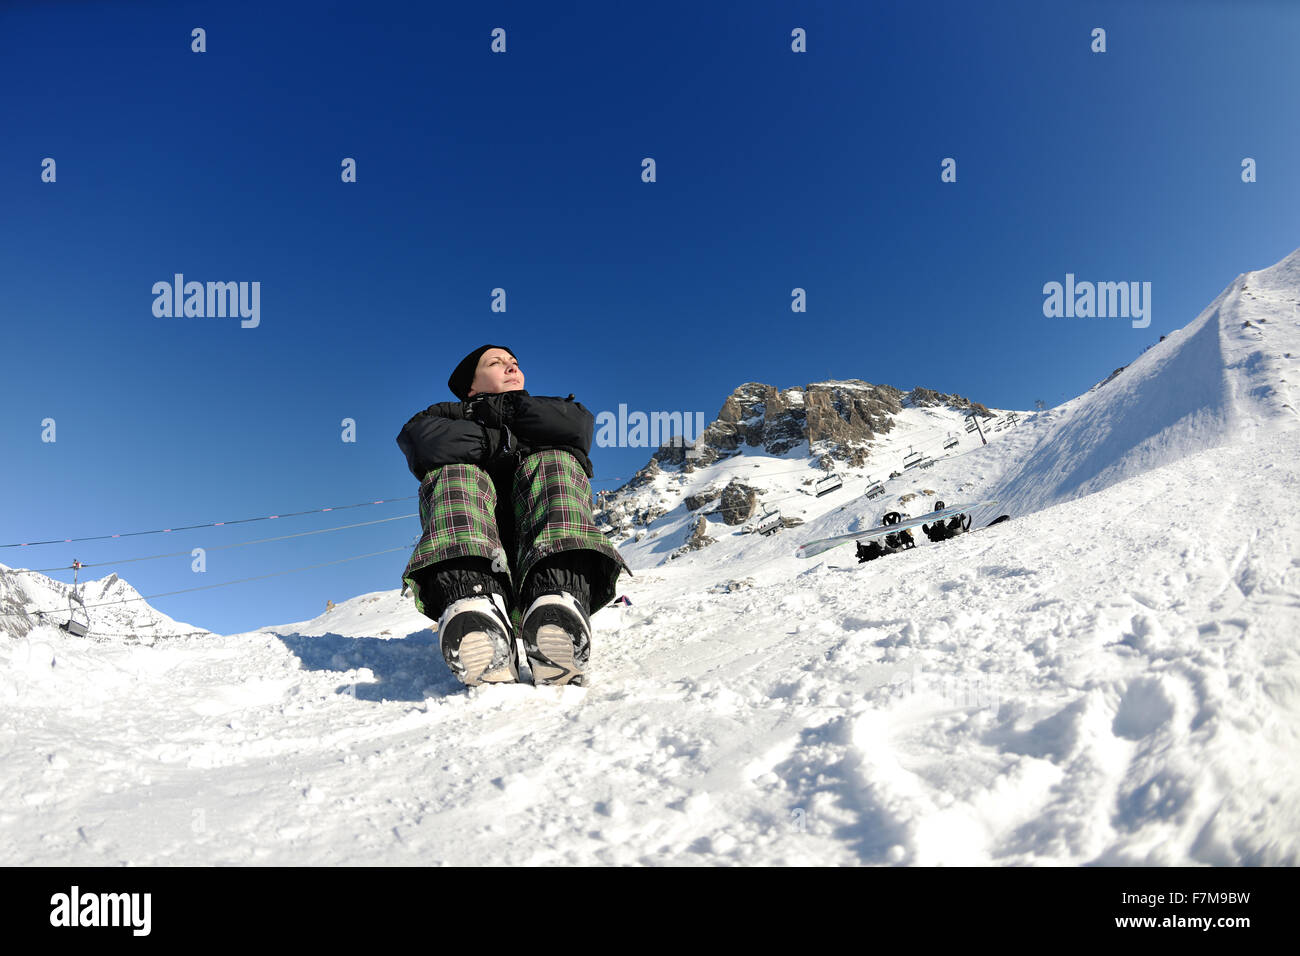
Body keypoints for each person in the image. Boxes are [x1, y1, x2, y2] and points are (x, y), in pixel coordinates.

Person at [395, 345, 628, 688]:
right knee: (454, 473)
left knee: (555, 463)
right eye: (496, 363)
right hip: (478, 561)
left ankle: (556, 609)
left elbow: (575, 428)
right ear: (471, 387)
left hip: (543, 559)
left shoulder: (551, 409)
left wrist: (507, 422)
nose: (510, 367)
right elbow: (425, 443)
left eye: (514, 363)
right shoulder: (442, 415)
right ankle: (476, 613)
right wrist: (501, 438)